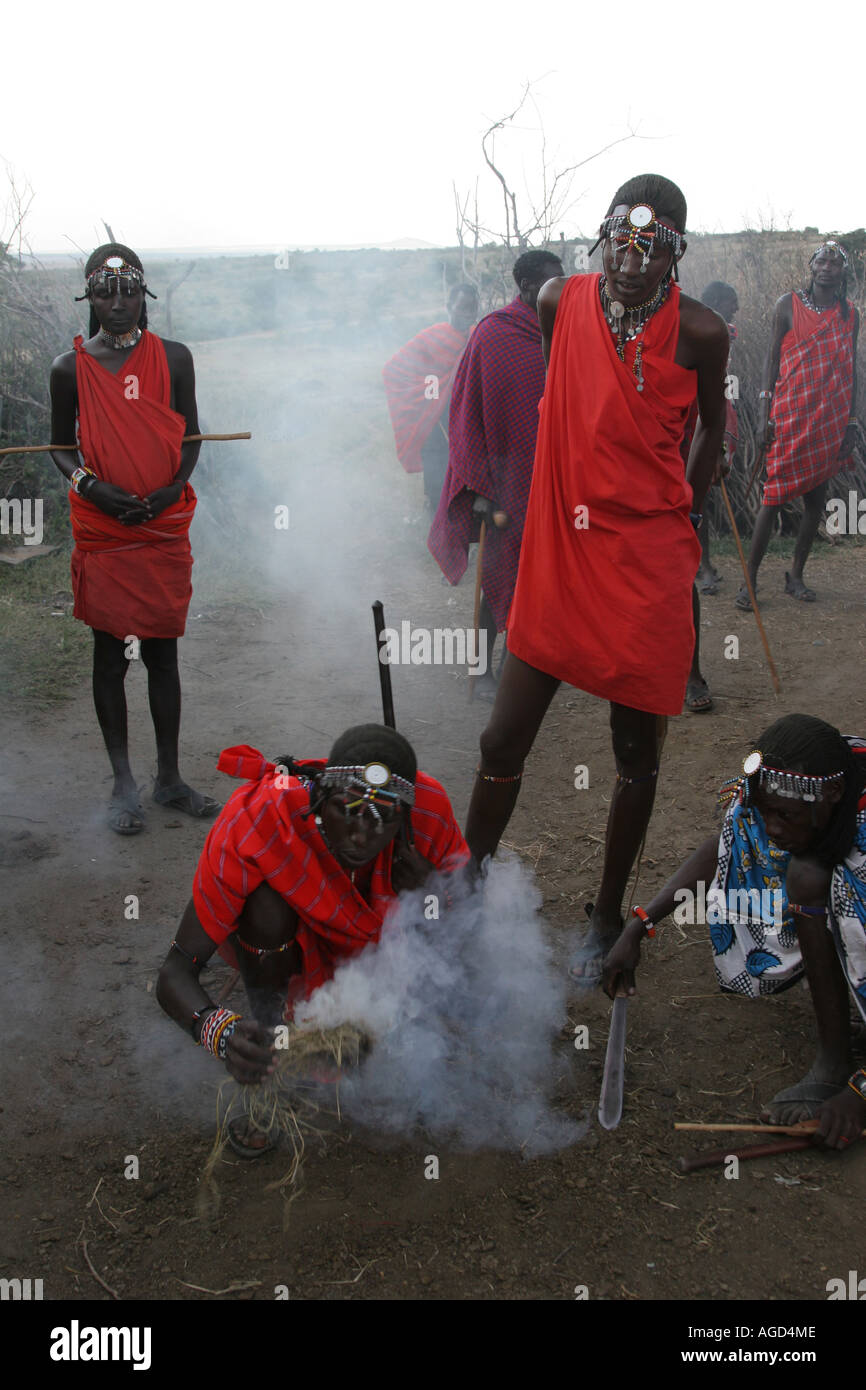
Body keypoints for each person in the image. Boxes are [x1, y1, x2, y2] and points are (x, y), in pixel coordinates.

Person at [464, 175, 729, 984]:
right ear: (602, 238)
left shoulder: (703, 332)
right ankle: (467, 885)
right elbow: (566, 406)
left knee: (633, 755)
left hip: (644, 563)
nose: (630, 265)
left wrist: (680, 516)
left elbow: (713, 430)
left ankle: (607, 912)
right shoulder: (557, 301)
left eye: (650, 251)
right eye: (619, 245)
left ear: (675, 252)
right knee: (502, 737)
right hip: (563, 551)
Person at [156, 724, 470, 1146]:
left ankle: (387, 1032)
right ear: (320, 796)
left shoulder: (426, 811)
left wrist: (429, 891)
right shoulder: (262, 817)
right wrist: (221, 1032)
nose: (362, 836)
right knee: (266, 903)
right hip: (287, 947)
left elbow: (468, 924)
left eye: (383, 821)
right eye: (346, 810)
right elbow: (176, 971)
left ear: (404, 816)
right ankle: (273, 1058)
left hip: (374, 966)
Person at [602, 715, 866, 1151]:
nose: (773, 827)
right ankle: (834, 1059)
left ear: (834, 795)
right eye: (766, 813)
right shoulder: (789, 791)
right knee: (806, 874)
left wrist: (860, 1095)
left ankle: (842, 1068)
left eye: (785, 816)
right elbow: (730, 847)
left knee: (815, 877)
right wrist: (639, 925)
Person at [49, 244, 218, 835]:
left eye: (127, 292)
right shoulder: (68, 368)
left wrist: (175, 488)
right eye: (105, 293)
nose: (117, 304)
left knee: (163, 655)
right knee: (110, 657)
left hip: (162, 527)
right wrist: (92, 488)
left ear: (142, 295)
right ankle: (123, 786)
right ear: (89, 298)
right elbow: (59, 449)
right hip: (105, 531)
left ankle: (168, 779)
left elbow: (192, 435)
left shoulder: (174, 359)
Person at [427, 250, 564, 693]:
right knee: (502, 576)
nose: (558, 290)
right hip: (504, 482)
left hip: (553, 478)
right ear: (524, 287)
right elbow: (465, 414)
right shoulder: (493, 335)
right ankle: (480, 669)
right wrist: (478, 486)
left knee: (545, 580)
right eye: (548, 283)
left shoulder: (565, 334)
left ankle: (516, 666)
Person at [736, 241, 858, 610]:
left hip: (830, 419)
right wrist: (762, 414)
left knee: (816, 500)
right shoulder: (786, 306)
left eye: (835, 263)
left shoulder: (850, 314)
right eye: (821, 260)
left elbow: (852, 369)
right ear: (811, 266)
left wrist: (852, 421)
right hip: (788, 416)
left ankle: (796, 575)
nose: (827, 267)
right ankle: (750, 581)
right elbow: (771, 362)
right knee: (772, 499)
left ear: (843, 272)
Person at [684, 280, 740, 713]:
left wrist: (720, 447)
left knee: (680, 573)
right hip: (626, 469)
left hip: (683, 464)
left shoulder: (702, 336)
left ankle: (691, 672)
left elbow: (718, 407)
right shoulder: (621, 332)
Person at [382, 283, 478, 507]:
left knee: (468, 487)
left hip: (466, 422)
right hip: (435, 423)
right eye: (462, 307)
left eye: (472, 308)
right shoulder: (431, 338)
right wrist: (428, 395)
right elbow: (392, 370)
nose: (467, 314)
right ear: (448, 307)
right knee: (438, 483)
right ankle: (437, 523)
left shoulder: (478, 336)